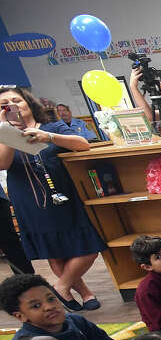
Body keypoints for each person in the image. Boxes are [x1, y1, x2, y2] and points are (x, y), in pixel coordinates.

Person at [0, 86, 104, 311]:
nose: (12, 105)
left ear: (29, 103)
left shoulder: (50, 126)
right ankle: (84, 293)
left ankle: (61, 286)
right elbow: (2, 164)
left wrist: (49, 137)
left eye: (16, 100)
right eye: (4, 104)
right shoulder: (1, 135)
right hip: (28, 200)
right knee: (54, 252)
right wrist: (6, 132)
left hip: (62, 194)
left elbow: (83, 145)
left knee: (89, 247)